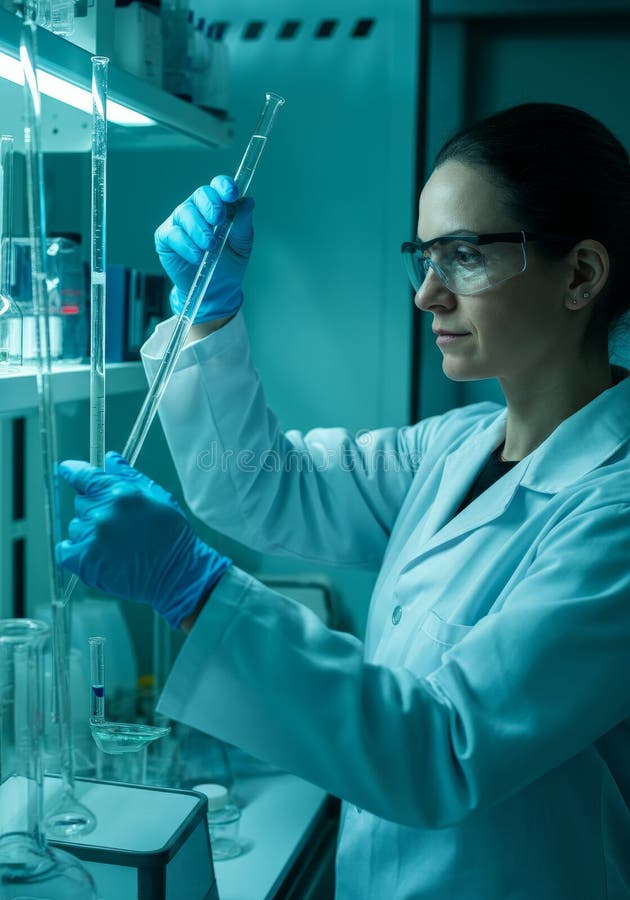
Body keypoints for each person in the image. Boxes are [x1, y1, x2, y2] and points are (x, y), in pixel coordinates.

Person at [57, 103, 630, 899]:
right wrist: (212, 317)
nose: (428, 293)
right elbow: (259, 481)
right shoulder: (451, 450)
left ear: (581, 274)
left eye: (464, 255)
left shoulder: (614, 516)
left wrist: (193, 585)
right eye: (424, 256)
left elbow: (446, 751)